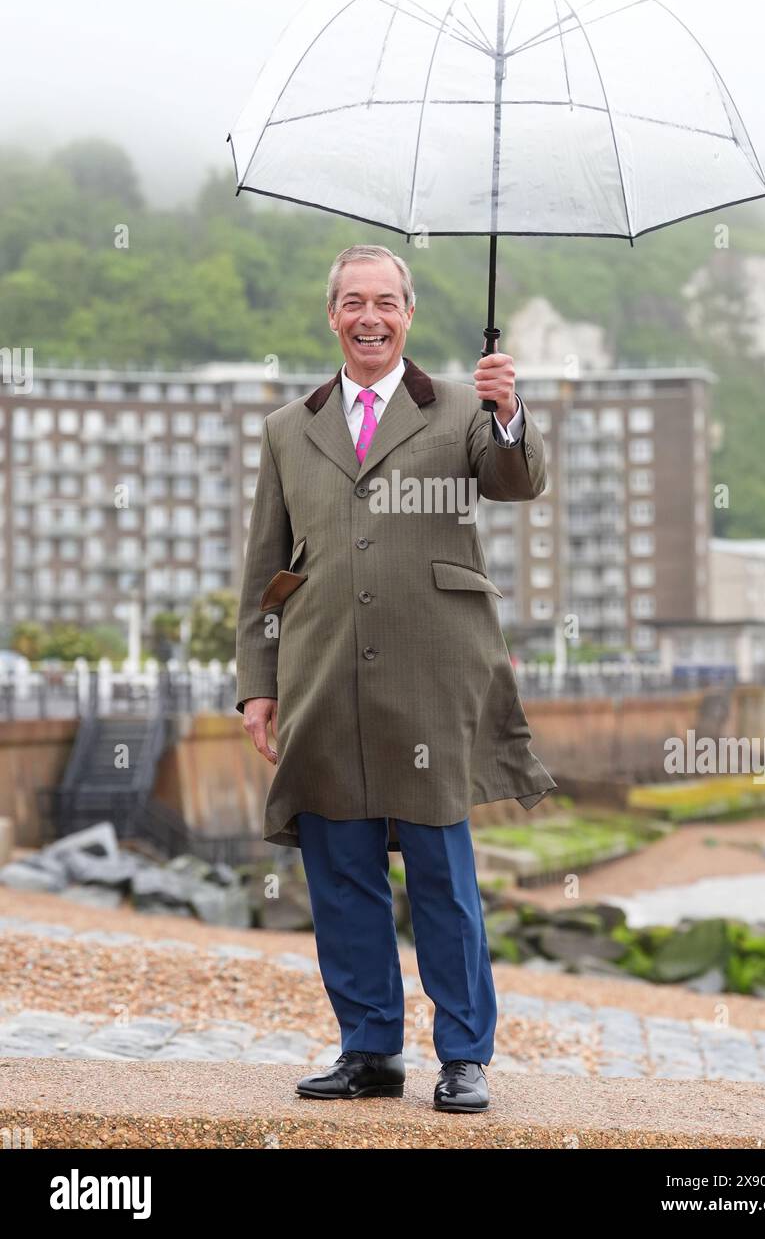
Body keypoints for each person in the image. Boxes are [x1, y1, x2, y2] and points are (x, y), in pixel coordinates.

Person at [236, 244, 556, 1112]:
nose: (369, 316)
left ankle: (464, 1055)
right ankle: (370, 1050)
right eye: (353, 302)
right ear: (331, 316)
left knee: (442, 874)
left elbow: (514, 481)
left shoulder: (462, 409)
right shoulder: (286, 428)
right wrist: (257, 683)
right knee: (340, 872)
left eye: (385, 301)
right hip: (321, 675)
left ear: (409, 315)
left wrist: (510, 410)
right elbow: (266, 567)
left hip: (433, 675)